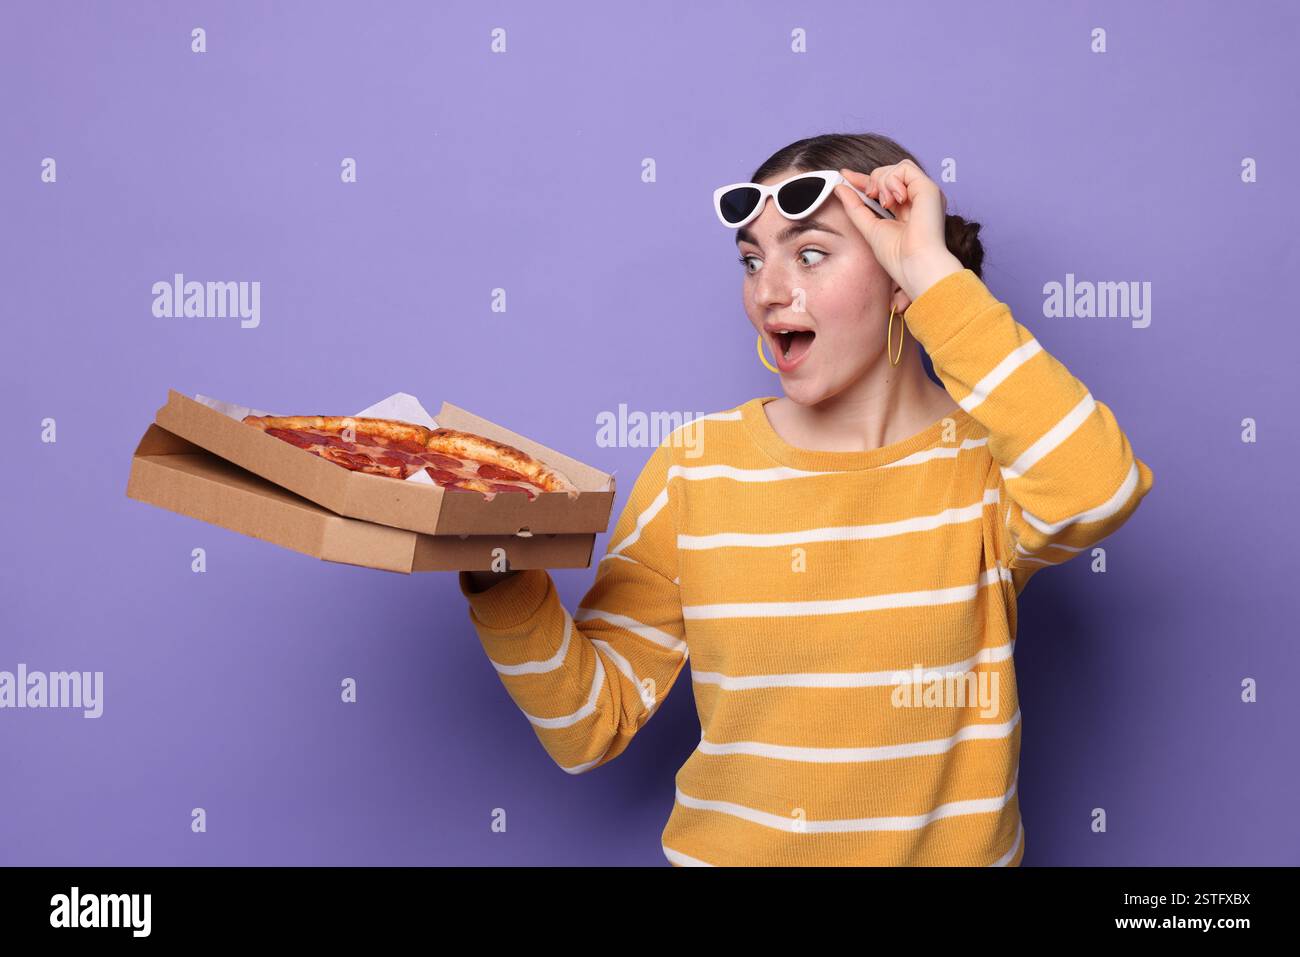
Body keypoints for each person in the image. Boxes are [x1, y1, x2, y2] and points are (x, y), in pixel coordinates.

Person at [458, 132, 1155, 866]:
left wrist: (930, 273)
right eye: (752, 260)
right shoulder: (696, 468)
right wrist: (494, 572)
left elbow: (1095, 487)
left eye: (811, 253)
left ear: (896, 278)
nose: (768, 289)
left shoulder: (987, 467)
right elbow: (590, 724)